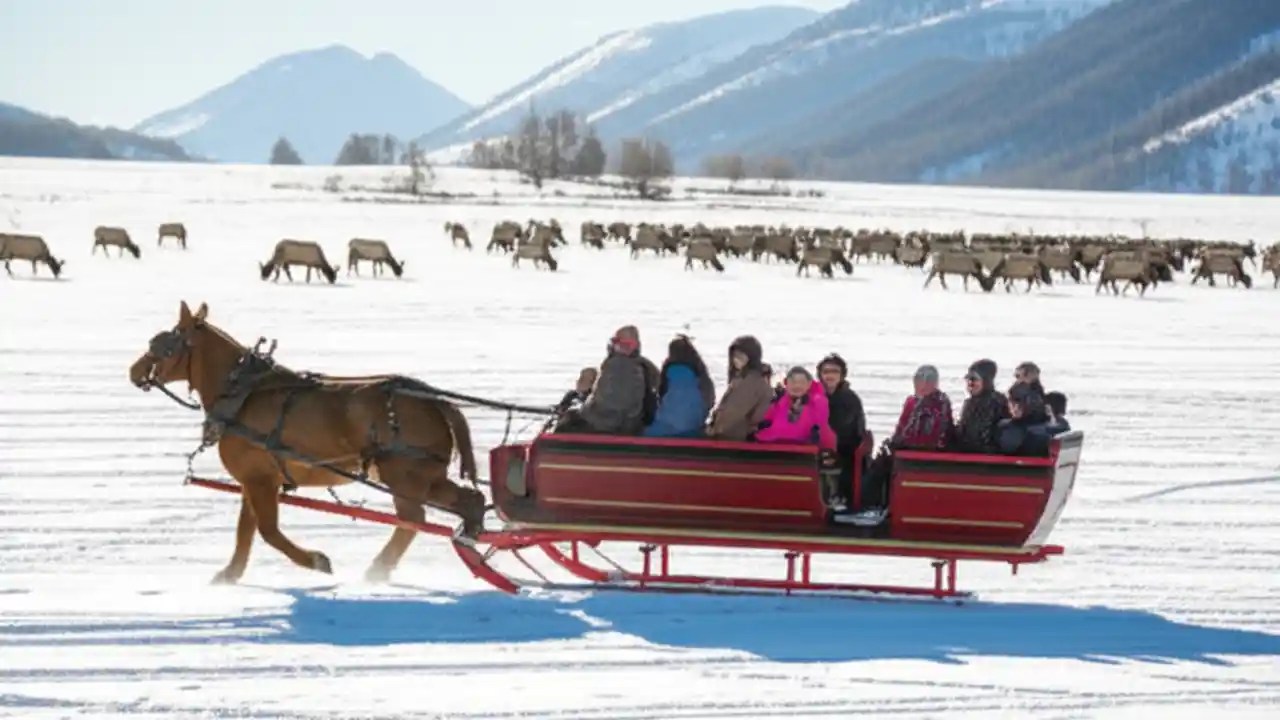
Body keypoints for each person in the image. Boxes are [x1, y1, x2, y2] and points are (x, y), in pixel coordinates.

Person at [843, 365, 954, 525]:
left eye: (927, 381)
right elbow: (902, 427)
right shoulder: (912, 401)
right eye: (919, 381)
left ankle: (872, 507)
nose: (922, 385)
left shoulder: (939, 403)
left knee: (884, 466)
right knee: (875, 462)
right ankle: (866, 505)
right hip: (906, 450)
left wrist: (901, 446)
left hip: (926, 454)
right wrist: (893, 443)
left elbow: (932, 434)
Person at [572, 326, 655, 435]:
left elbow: (600, 401)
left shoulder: (611, 365)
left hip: (601, 423)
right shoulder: (646, 367)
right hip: (631, 425)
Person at [816, 353, 866, 510]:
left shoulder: (848, 398)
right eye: (826, 371)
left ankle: (835, 498)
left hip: (845, 448)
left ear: (842, 375)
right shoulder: (816, 395)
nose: (829, 375)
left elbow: (840, 427)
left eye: (834, 372)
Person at [643, 335, 715, 438]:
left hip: (667, 426)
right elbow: (709, 398)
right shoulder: (700, 371)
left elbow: (661, 393)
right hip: (693, 426)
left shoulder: (669, 368)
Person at [706, 335, 773, 442]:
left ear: (751, 357)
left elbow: (733, 413)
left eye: (741, 356)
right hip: (742, 434)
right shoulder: (751, 378)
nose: (736, 360)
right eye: (734, 356)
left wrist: (712, 431)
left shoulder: (751, 382)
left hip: (736, 437)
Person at [754, 366, 837, 450]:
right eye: (793, 382)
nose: (797, 386)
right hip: (776, 447)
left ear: (809, 384)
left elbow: (822, 425)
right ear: (786, 383)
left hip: (806, 450)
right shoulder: (779, 402)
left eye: (801, 382)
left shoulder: (817, 402)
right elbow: (761, 418)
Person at [952, 359, 1008, 453]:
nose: (970, 383)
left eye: (974, 379)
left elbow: (976, 437)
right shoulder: (970, 402)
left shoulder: (995, 402)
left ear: (986, 381)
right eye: (968, 379)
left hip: (986, 456)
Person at [996, 382, 1053, 456]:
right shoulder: (1003, 426)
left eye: (1020, 404)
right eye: (1012, 403)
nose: (1015, 409)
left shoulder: (1045, 427)